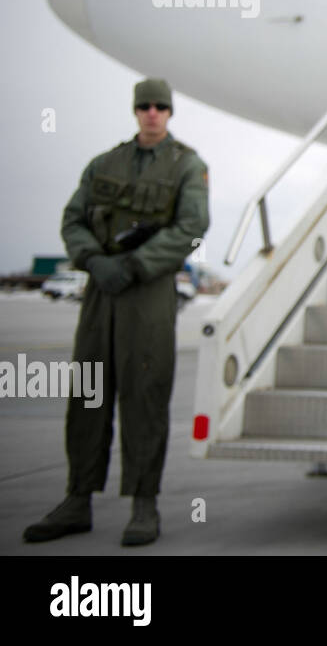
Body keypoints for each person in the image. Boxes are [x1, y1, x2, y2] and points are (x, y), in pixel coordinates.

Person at [24, 78, 209, 547]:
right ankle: (77, 499)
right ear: (135, 110)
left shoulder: (187, 165)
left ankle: (143, 503)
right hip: (101, 292)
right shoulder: (104, 164)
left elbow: (191, 227)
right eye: (145, 106)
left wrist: (134, 264)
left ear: (169, 113)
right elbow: (74, 218)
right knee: (87, 393)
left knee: (145, 395)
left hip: (148, 295)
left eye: (159, 107)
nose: (152, 113)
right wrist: (94, 260)